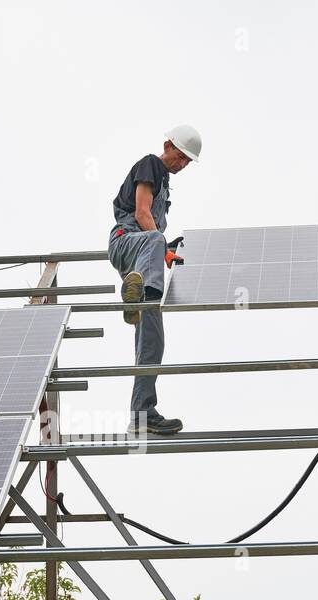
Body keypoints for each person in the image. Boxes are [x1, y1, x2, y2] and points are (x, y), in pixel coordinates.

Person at [107, 124, 201, 435]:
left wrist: (170, 251)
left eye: (188, 161)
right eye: (181, 155)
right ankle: (138, 295)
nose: (183, 163)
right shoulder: (150, 164)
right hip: (127, 241)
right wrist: (162, 247)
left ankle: (142, 413)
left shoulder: (167, 186)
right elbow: (143, 212)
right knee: (157, 240)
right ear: (167, 146)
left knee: (153, 342)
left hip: (143, 267)